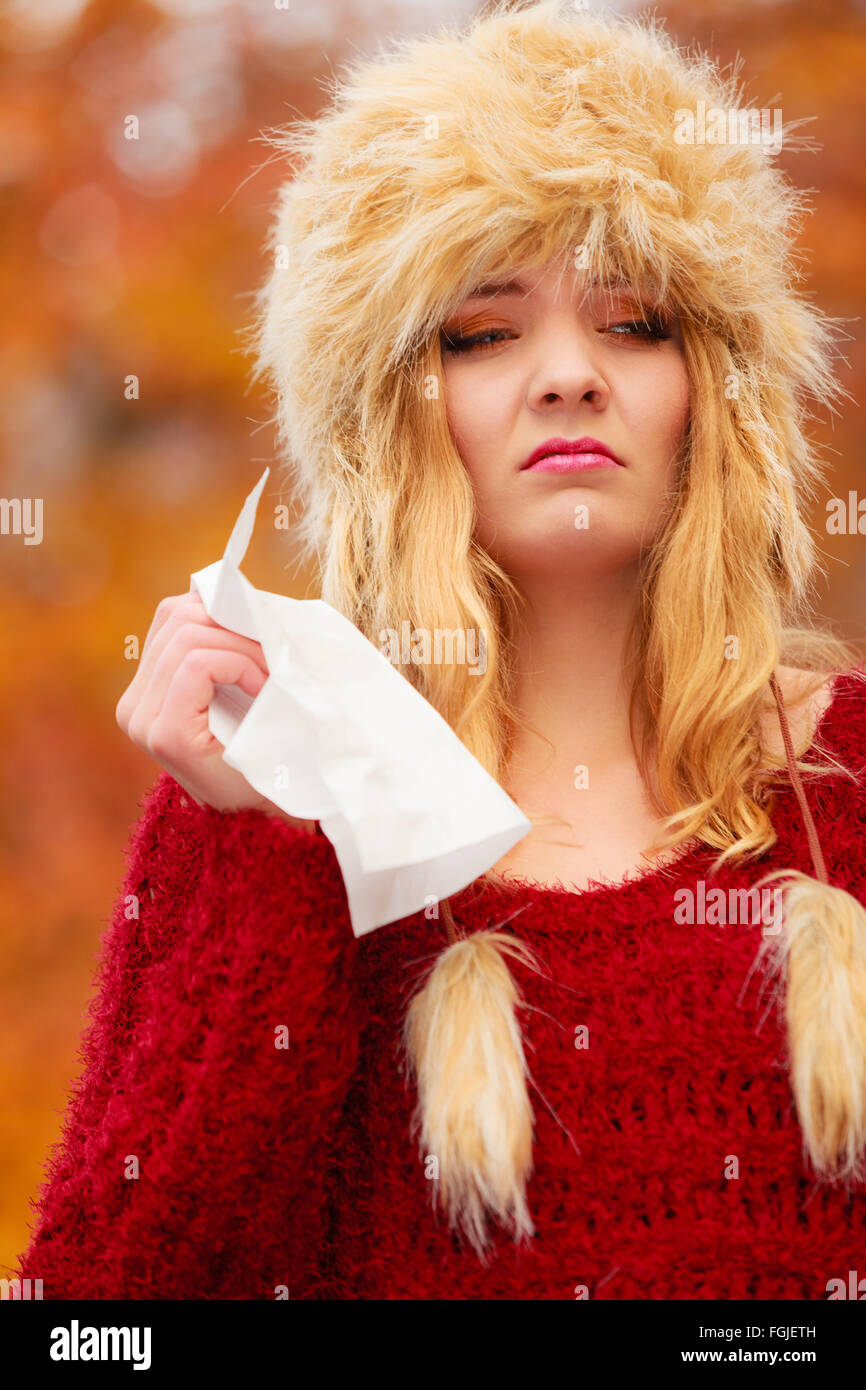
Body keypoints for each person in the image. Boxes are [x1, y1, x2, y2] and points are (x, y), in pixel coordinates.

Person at [15, 0, 866, 1300]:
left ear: (714, 391)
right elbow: (111, 1314)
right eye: (482, 331)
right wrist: (251, 840)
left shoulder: (848, 785)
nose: (568, 373)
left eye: (633, 320)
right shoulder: (280, 817)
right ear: (389, 419)